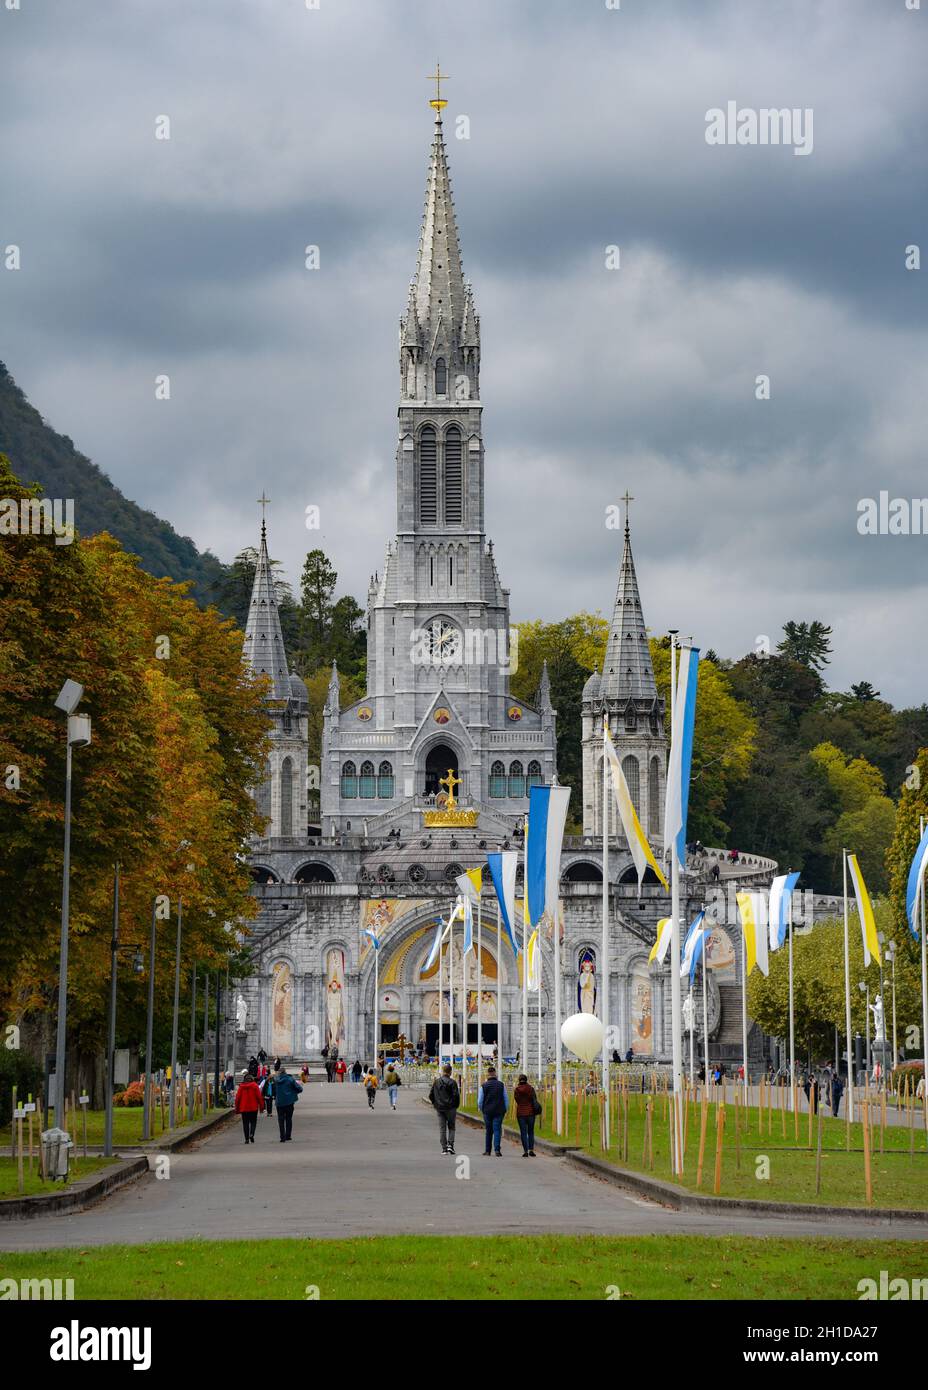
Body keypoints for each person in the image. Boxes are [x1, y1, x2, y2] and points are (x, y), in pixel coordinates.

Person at [429, 1063, 460, 1154]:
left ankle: (444, 1148)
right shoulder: (452, 1082)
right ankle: (450, 1145)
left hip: (440, 1107)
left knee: (442, 1128)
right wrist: (456, 1105)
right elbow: (456, 1096)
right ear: (450, 1072)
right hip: (450, 1108)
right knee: (451, 1127)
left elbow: (431, 1095)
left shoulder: (437, 1082)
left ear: (443, 1071)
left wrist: (435, 1103)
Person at [478, 1066, 508, 1157]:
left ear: (488, 1074)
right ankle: (497, 1150)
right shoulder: (501, 1085)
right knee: (497, 1129)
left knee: (489, 1131)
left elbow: (480, 1100)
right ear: (495, 1074)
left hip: (487, 1111)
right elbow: (506, 1098)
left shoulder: (483, 1086)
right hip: (499, 1111)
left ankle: (487, 1151)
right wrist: (505, 1109)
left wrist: (481, 1109)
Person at [273, 1066, 302, 1142]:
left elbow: (273, 1091)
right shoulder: (290, 1079)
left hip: (279, 1103)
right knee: (288, 1119)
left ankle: (282, 1137)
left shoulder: (276, 1080)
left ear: (279, 1073)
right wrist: (293, 1092)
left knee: (281, 1120)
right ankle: (288, 1135)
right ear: (285, 1072)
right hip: (289, 1102)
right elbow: (299, 1089)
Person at [234, 1069, 263, 1144]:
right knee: (253, 1122)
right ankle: (252, 1134)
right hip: (253, 1108)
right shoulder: (255, 1086)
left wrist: (237, 1109)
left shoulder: (241, 1087)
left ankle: (246, 1139)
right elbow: (259, 1097)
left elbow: (237, 1099)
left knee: (245, 1123)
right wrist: (261, 1107)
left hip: (244, 1108)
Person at [514, 1073, 539, 1157]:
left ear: (519, 1080)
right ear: (526, 1080)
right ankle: (531, 1149)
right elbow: (534, 1099)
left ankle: (525, 1151)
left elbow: (517, 1100)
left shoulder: (517, 1090)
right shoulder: (531, 1089)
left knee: (523, 1132)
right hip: (530, 1112)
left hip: (521, 1113)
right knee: (531, 1131)